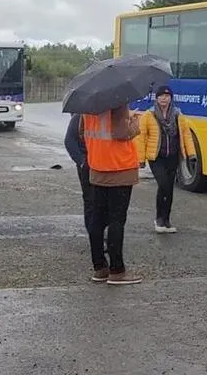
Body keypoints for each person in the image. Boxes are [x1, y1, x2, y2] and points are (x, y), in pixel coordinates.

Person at [83, 105, 142, 285]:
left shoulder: (88, 107)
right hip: (119, 168)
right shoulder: (117, 104)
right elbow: (121, 133)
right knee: (117, 220)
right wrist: (134, 121)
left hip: (97, 167)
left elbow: (81, 132)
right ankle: (117, 270)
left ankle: (99, 267)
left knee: (97, 219)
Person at [136, 85, 196, 233]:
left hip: (173, 156)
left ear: (171, 98)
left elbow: (186, 135)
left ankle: (166, 220)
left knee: (169, 188)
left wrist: (191, 154)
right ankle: (159, 219)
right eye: (161, 96)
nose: (164, 99)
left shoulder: (178, 115)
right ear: (157, 98)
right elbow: (141, 137)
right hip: (156, 157)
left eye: (167, 96)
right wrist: (140, 159)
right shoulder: (149, 115)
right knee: (163, 184)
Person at [65, 112, 101, 272]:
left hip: (104, 165)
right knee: (91, 201)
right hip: (87, 166)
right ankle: (94, 235)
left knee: (103, 201)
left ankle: (101, 233)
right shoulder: (79, 118)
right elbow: (69, 141)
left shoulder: (107, 115)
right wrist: (81, 162)